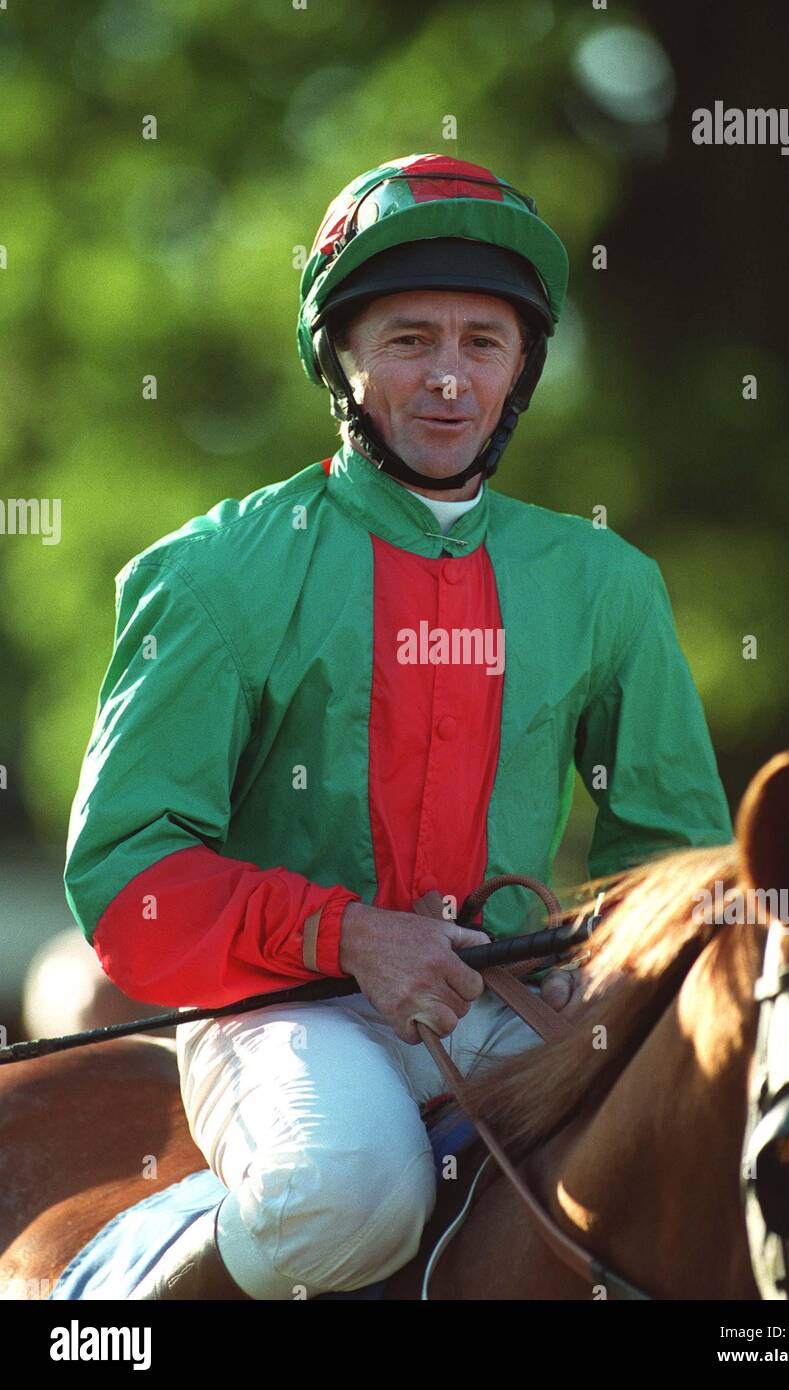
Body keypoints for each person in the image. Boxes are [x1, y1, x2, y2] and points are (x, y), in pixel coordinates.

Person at [63, 153, 733, 1299]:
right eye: (409, 338)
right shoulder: (213, 574)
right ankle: (117, 1304)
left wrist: (608, 974)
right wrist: (349, 935)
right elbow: (130, 884)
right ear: (342, 357)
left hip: (516, 1004)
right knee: (348, 1194)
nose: (447, 381)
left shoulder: (606, 583)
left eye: (483, 342)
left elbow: (670, 864)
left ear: (520, 369)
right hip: (283, 1012)